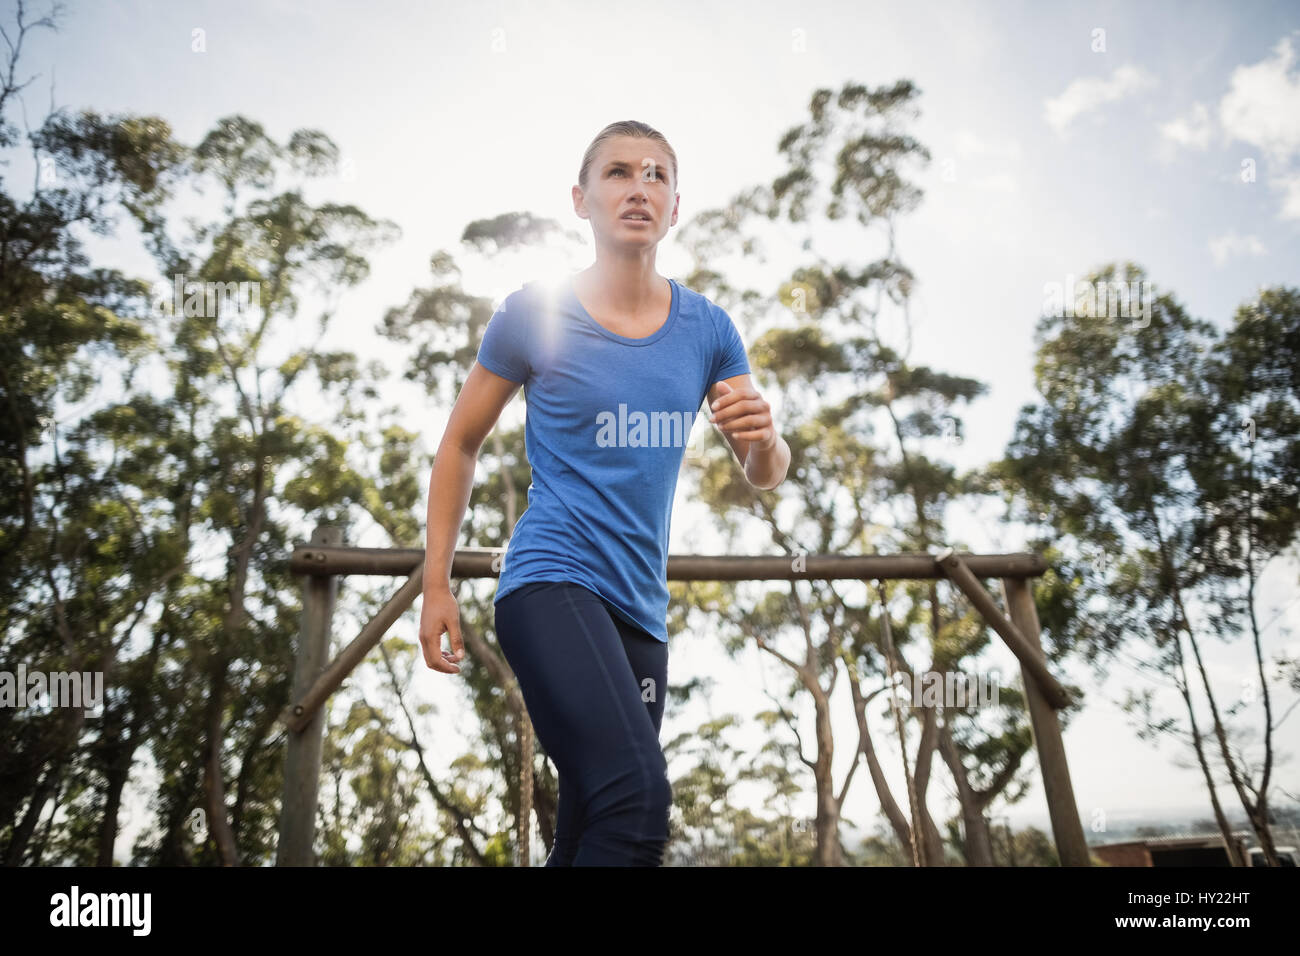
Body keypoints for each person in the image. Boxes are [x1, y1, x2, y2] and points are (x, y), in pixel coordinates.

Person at [417, 120, 791, 866]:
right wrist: (435, 584)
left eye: (656, 176)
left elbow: (764, 471)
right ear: (581, 199)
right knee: (639, 798)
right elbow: (460, 442)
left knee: (592, 819)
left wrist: (766, 437)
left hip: (641, 614)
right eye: (619, 172)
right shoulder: (535, 312)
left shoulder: (709, 330)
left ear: (675, 207)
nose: (638, 188)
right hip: (551, 582)